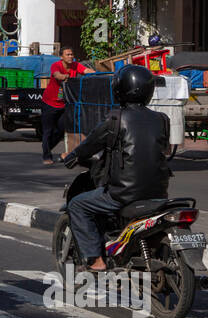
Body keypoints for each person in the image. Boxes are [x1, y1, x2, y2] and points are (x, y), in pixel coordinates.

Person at [60, 64, 171, 272]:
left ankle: (95, 260)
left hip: (123, 193)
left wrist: (72, 155)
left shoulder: (116, 119)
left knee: (77, 205)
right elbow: (161, 150)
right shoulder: (162, 120)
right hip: (159, 193)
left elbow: (91, 143)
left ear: (120, 89)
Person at [41, 46, 90, 165]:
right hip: (49, 103)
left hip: (63, 105)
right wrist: (66, 76)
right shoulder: (56, 65)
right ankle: (46, 156)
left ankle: (47, 147)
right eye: (67, 55)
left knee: (61, 129)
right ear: (61, 57)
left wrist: (98, 74)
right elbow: (57, 75)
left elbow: (86, 71)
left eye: (72, 54)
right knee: (48, 131)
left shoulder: (75, 65)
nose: (70, 57)